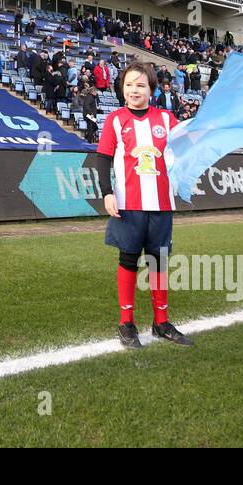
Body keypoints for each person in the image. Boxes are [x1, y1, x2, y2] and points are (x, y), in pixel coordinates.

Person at [97, 62, 193, 349]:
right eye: (129, 85)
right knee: (128, 260)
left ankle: (161, 323)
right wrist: (107, 193)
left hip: (161, 204)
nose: (134, 90)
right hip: (128, 204)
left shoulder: (166, 119)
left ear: (151, 89)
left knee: (158, 261)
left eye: (140, 85)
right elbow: (103, 158)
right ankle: (126, 323)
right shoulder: (115, 120)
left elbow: (187, 144)